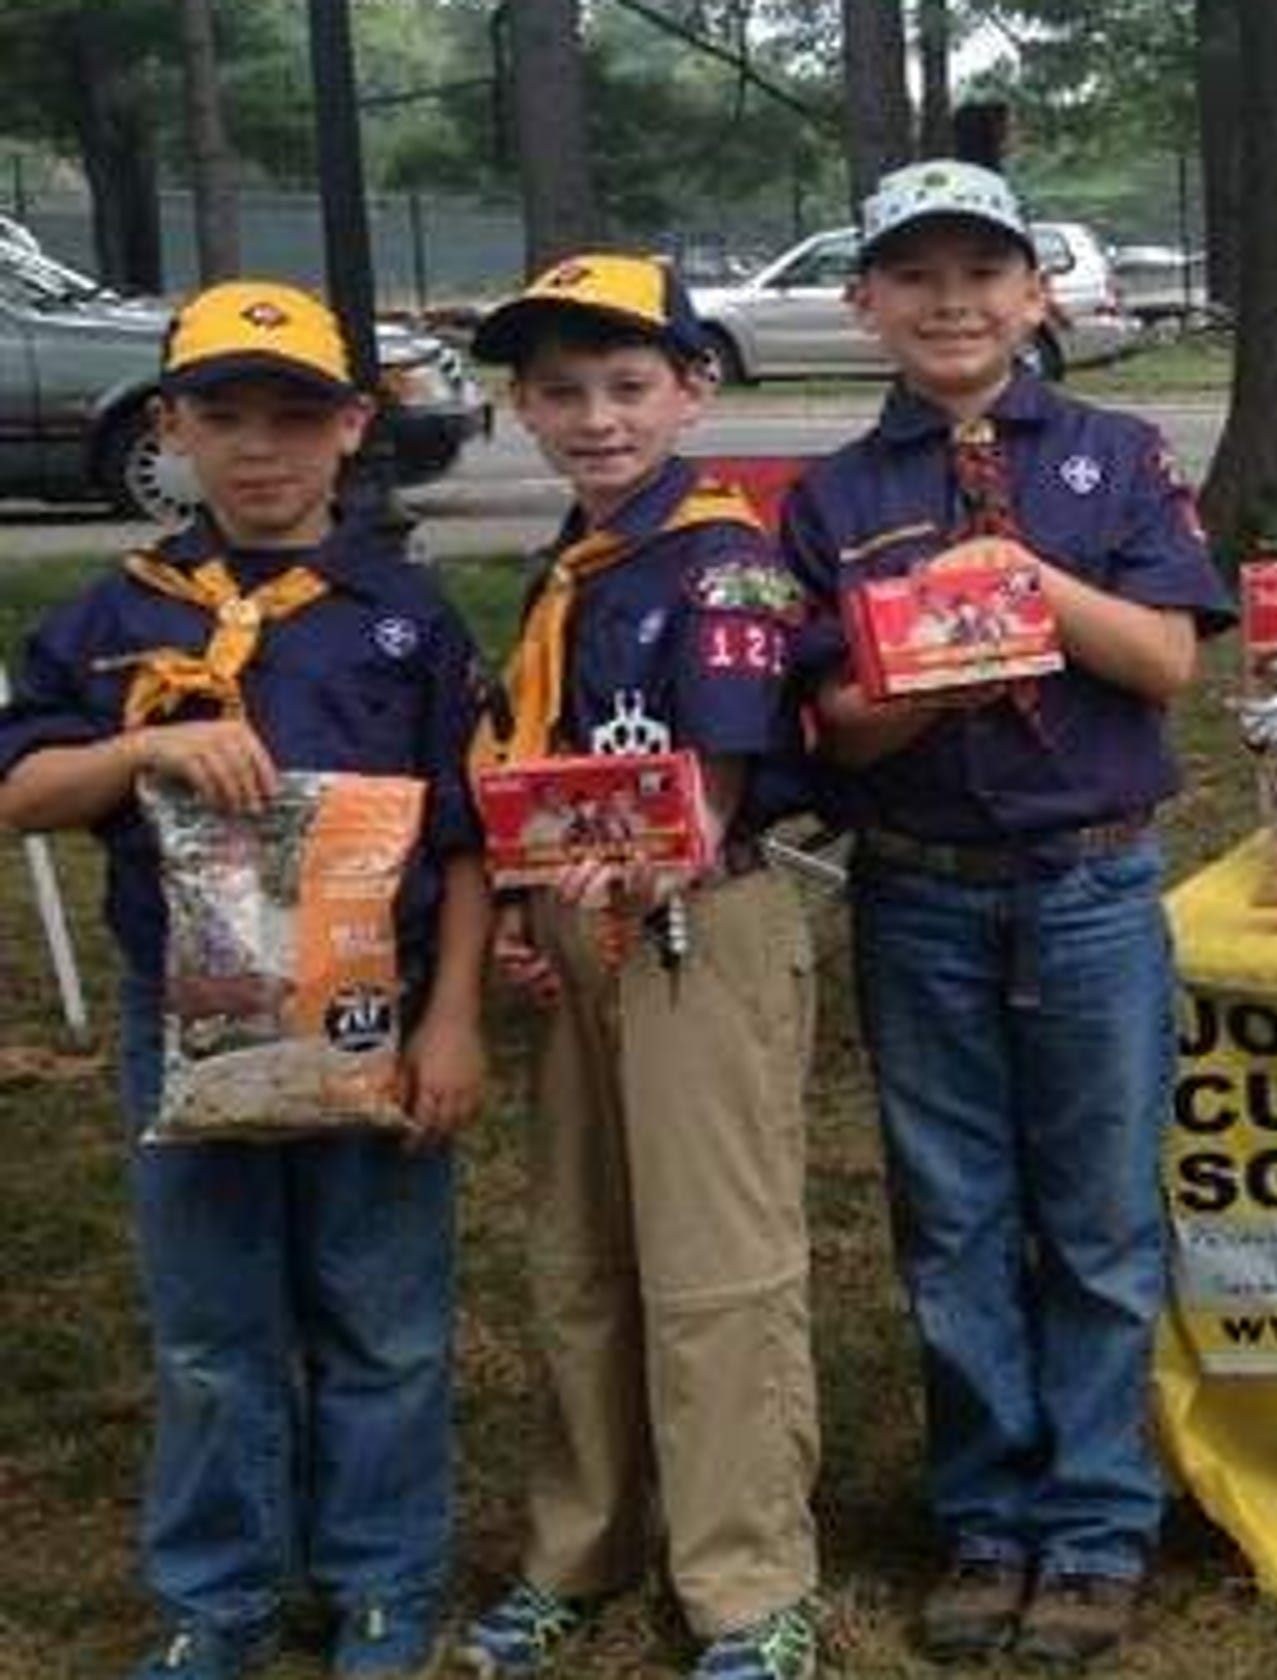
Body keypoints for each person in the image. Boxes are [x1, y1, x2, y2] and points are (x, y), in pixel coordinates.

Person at [777, 160, 1235, 1668]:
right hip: (919, 892)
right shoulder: (836, 497)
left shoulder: (1115, 455)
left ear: (1040, 295)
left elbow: (1167, 663)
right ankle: (984, 1515)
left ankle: (1097, 1523)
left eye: (984, 271)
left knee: (1099, 1220)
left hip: (1092, 882)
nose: (952, 300)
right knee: (955, 1217)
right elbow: (830, 729)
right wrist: (927, 676)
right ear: (867, 305)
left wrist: (1018, 583)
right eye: (915, 275)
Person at [0, 281, 490, 1680]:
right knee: (214, 1324)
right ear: (173, 428)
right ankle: (219, 1593)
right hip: (189, 1022)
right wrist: (143, 752)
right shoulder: (112, 617)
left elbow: (465, 840)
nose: (260, 449)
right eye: (224, 417)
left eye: (294, 417)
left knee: (381, 1313)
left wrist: (452, 1019)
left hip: (370, 1011)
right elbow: (24, 789)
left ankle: (384, 1578)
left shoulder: (406, 619)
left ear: (351, 428)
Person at [453, 254, 823, 1680]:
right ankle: (585, 1541)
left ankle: (746, 1582)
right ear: (524, 408)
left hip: (690, 923)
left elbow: (719, 751)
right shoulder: (578, 555)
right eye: (561, 392)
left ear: (692, 388)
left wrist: (683, 843)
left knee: (715, 1266)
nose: (597, 418)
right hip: (577, 917)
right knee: (579, 1252)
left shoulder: (719, 552)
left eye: (626, 385)